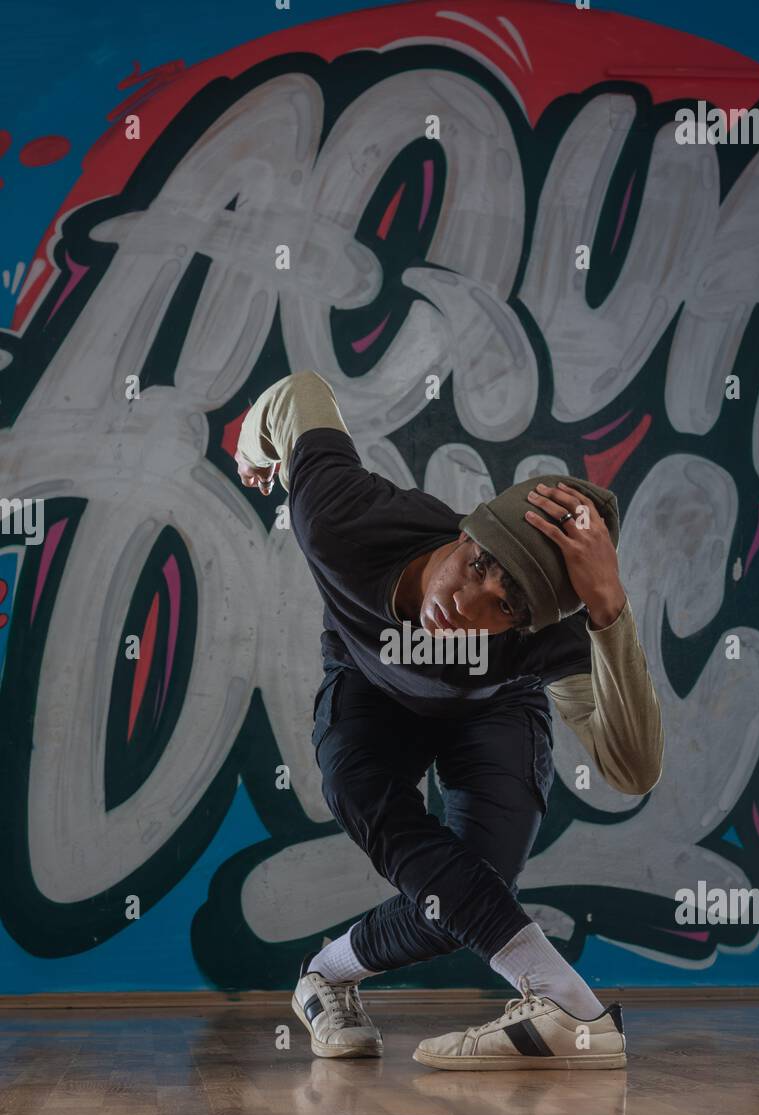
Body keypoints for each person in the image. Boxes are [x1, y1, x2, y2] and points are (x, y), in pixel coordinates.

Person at [235, 371, 664, 1070]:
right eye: (479, 564)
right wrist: (253, 450)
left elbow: (631, 766)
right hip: (370, 692)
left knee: (466, 895)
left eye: (508, 607)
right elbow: (299, 393)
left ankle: (325, 976)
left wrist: (609, 610)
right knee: (355, 787)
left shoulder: (548, 641)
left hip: (490, 712)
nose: (471, 603)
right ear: (469, 528)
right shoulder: (344, 518)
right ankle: (563, 998)